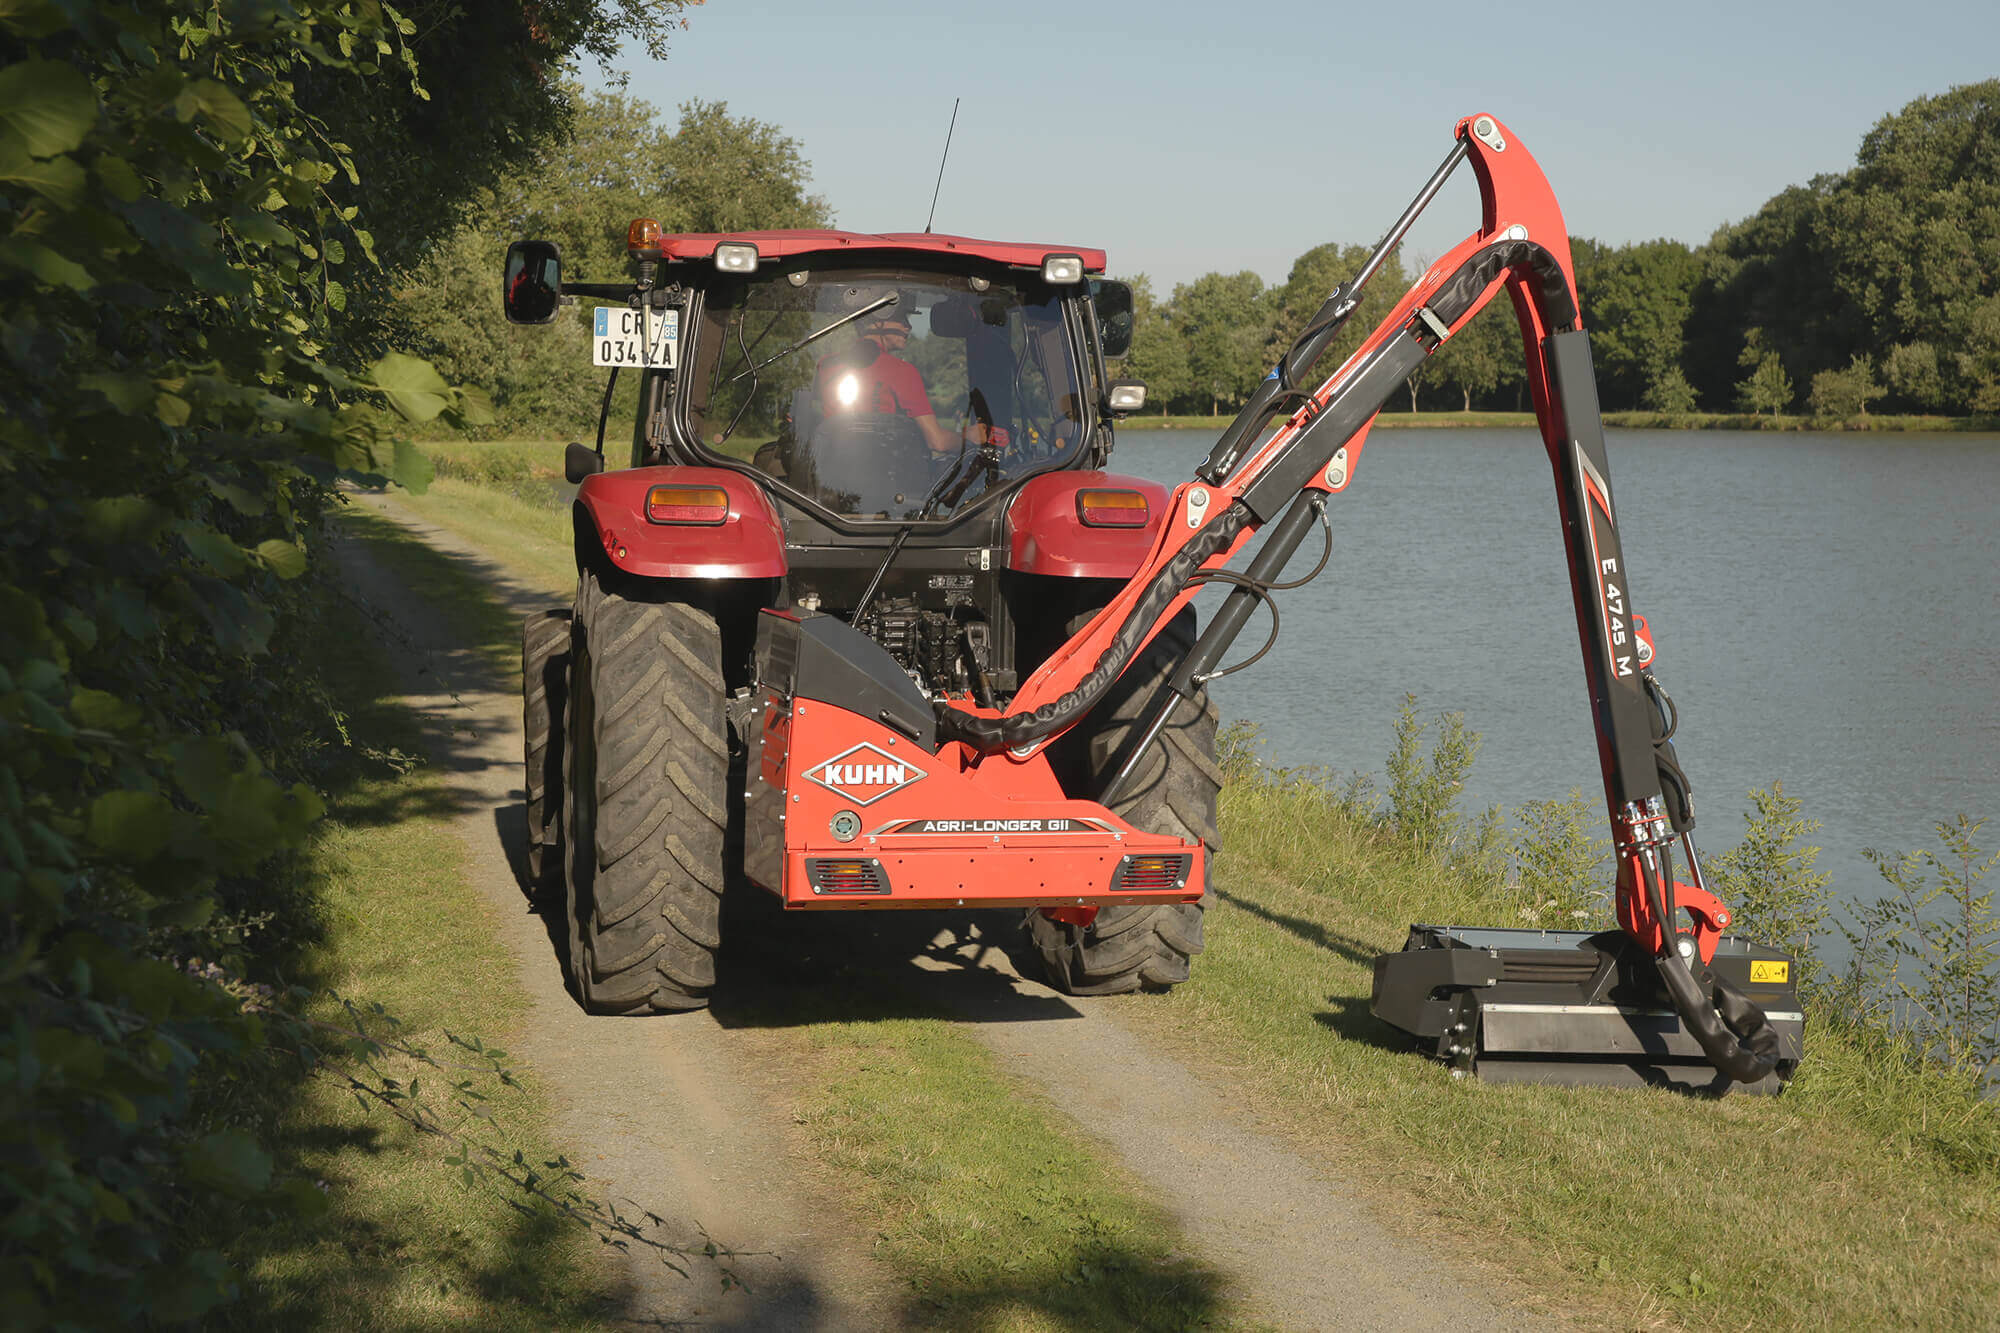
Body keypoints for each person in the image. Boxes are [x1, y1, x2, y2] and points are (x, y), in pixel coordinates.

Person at [816, 306, 1005, 455]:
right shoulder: (901, 371)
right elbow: (937, 442)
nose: (909, 326)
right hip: (886, 481)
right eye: (901, 319)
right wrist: (969, 437)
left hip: (827, 479)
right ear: (877, 323)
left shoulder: (825, 365)